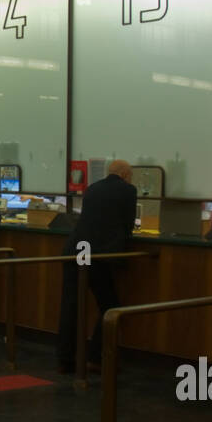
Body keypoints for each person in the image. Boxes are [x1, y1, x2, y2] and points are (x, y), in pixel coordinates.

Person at [56, 159, 137, 374]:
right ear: (125, 174)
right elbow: (128, 225)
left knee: (70, 305)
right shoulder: (128, 190)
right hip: (98, 254)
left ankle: (65, 360)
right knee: (109, 305)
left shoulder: (92, 188)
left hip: (75, 248)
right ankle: (95, 356)